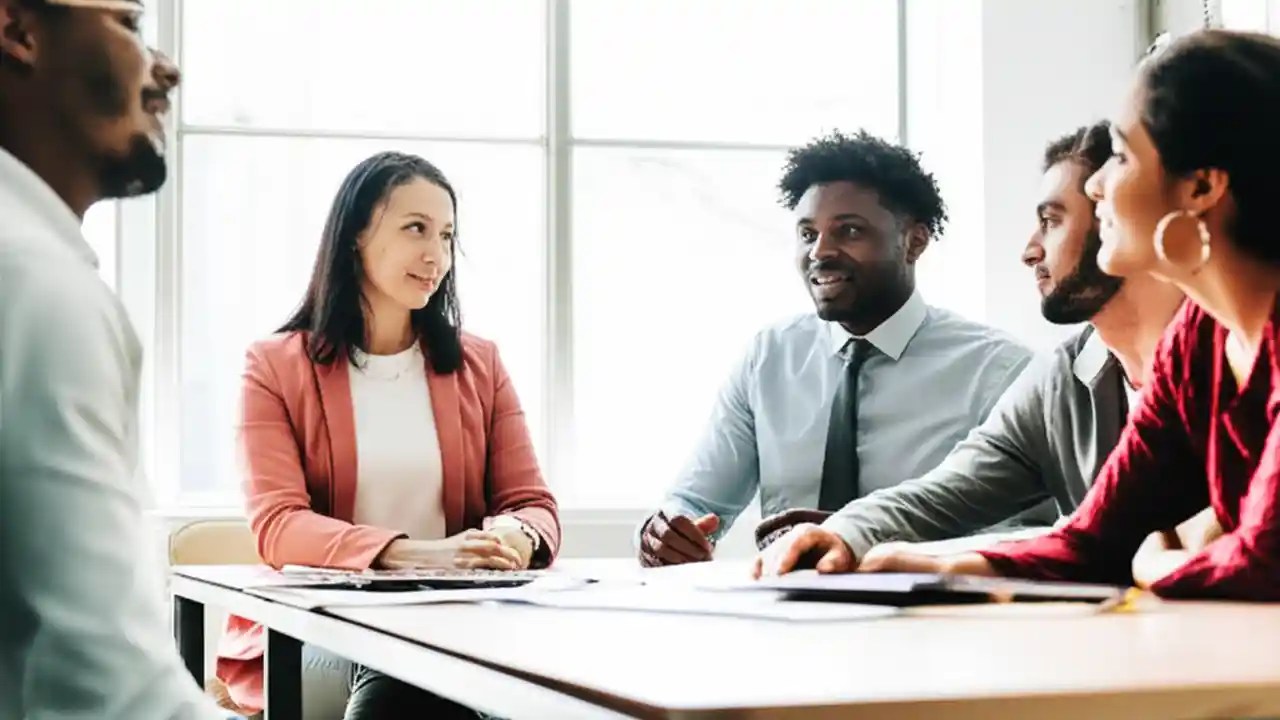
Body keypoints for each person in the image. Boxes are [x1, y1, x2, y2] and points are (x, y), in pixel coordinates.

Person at [799, 30, 1280, 601]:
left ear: (1201, 185)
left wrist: (1152, 563)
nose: (1098, 184)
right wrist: (939, 567)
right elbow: (1094, 539)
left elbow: (1261, 563)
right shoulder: (1196, 342)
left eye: (1121, 157)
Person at [754, 122, 1189, 577]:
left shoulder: (1231, 358)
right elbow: (949, 489)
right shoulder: (1060, 378)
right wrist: (844, 533)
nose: (1029, 250)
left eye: (1050, 221)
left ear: (1117, 218)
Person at [213, 152, 561, 718]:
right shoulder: (275, 366)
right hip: (314, 628)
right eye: (415, 229)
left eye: (447, 235)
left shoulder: (481, 364)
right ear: (355, 235)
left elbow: (532, 503)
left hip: (460, 624)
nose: (436, 255)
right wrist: (419, 556)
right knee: (415, 673)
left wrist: (515, 537)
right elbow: (279, 526)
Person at [638, 130, 1033, 568]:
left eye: (849, 231)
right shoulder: (768, 358)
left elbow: (1030, 537)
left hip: (932, 620)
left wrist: (861, 536)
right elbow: (696, 500)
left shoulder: (999, 371)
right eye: (808, 234)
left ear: (914, 241)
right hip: (786, 614)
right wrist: (668, 530)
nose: (820, 252)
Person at [0, 1, 223, 718]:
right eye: (129, 25)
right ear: (18, 30)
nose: (168, 67)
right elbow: (102, 685)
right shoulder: (34, 282)